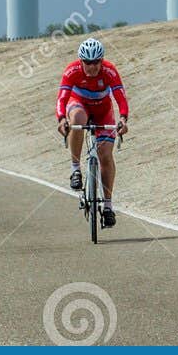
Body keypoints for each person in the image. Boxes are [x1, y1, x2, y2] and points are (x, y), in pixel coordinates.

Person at [56, 36, 129, 227]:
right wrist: (62, 119)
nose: (92, 67)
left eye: (96, 62)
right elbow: (62, 99)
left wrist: (123, 119)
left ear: (101, 60)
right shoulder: (72, 70)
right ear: (81, 61)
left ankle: (108, 206)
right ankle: (75, 169)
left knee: (105, 156)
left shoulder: (109, 70)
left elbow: (120, 97)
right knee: (77, 118)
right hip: (79, 105)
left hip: (103, 111)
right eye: (88, 63)